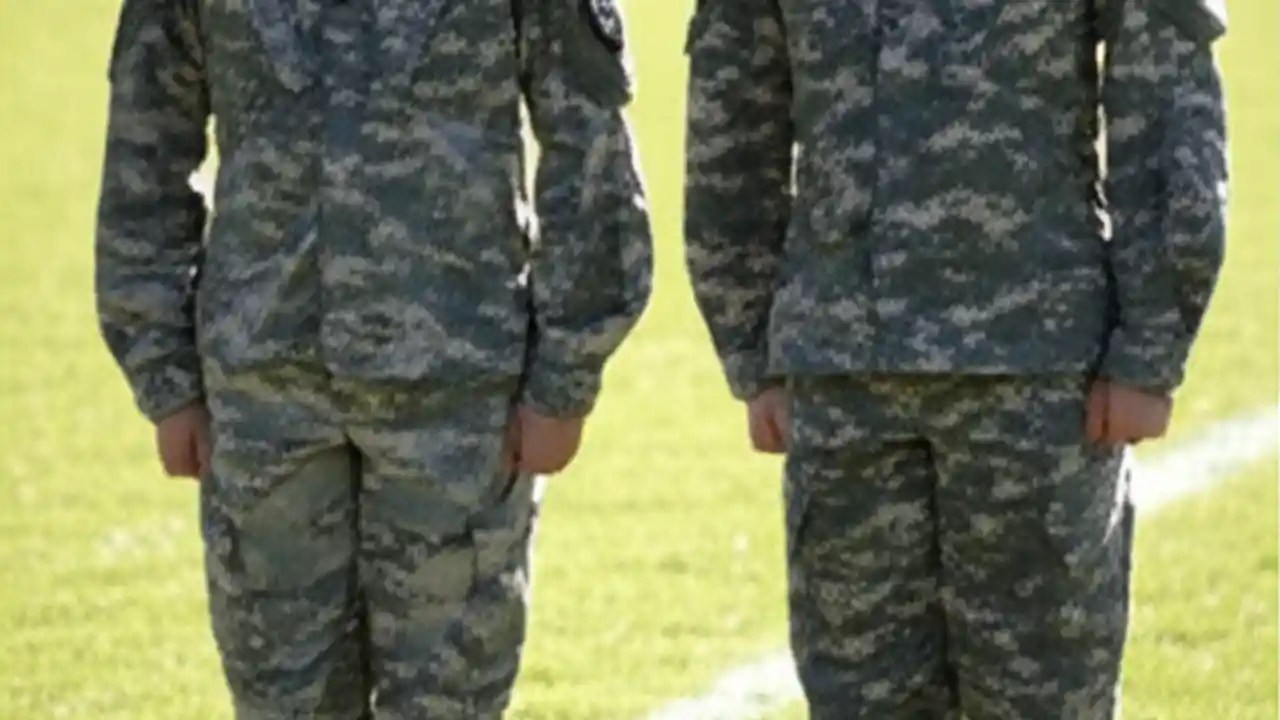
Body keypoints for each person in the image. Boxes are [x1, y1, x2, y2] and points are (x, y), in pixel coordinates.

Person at [96, 0, 651, 716]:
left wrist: (567, 374)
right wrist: (163, 373)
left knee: (447, 707)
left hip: (453, 402)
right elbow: (147, 138)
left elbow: (588, 146)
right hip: (267, 405)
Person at [684, 0, 1227, 717]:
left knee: (1041, 702)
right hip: (846, 386)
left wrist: (1150, 347)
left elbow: (1164, 92)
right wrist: (751, 346)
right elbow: (733, 116)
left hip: (1035, 382)